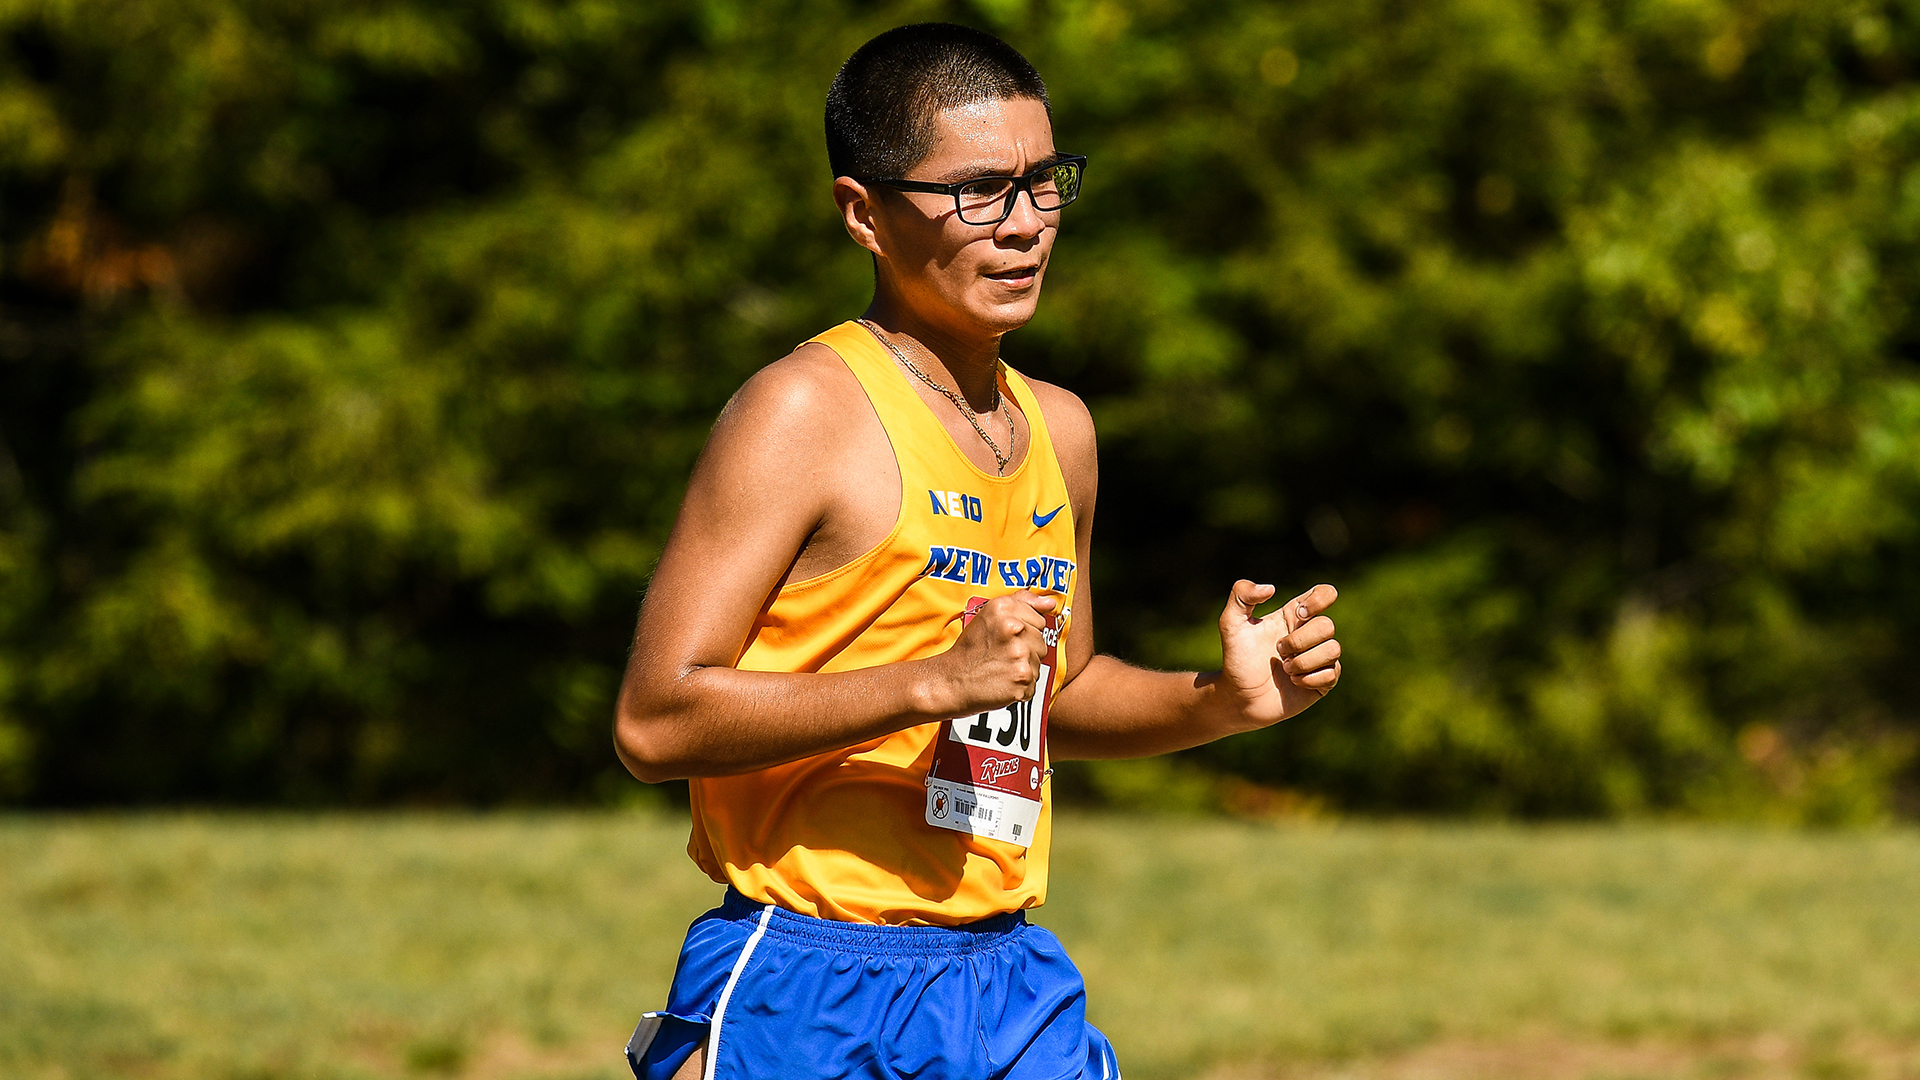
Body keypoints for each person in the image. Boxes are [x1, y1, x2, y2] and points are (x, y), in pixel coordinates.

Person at [614, 22, 1342, 1080]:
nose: (1025, 226)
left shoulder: (1064, 432)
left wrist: (1217, 703)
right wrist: (927, 684)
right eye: (978, 192)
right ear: (864, 213)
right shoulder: (802, 412)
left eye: (1046, 184)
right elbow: (653, 719)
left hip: (1005, 977)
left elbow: (1061, 692)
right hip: (809, 978)